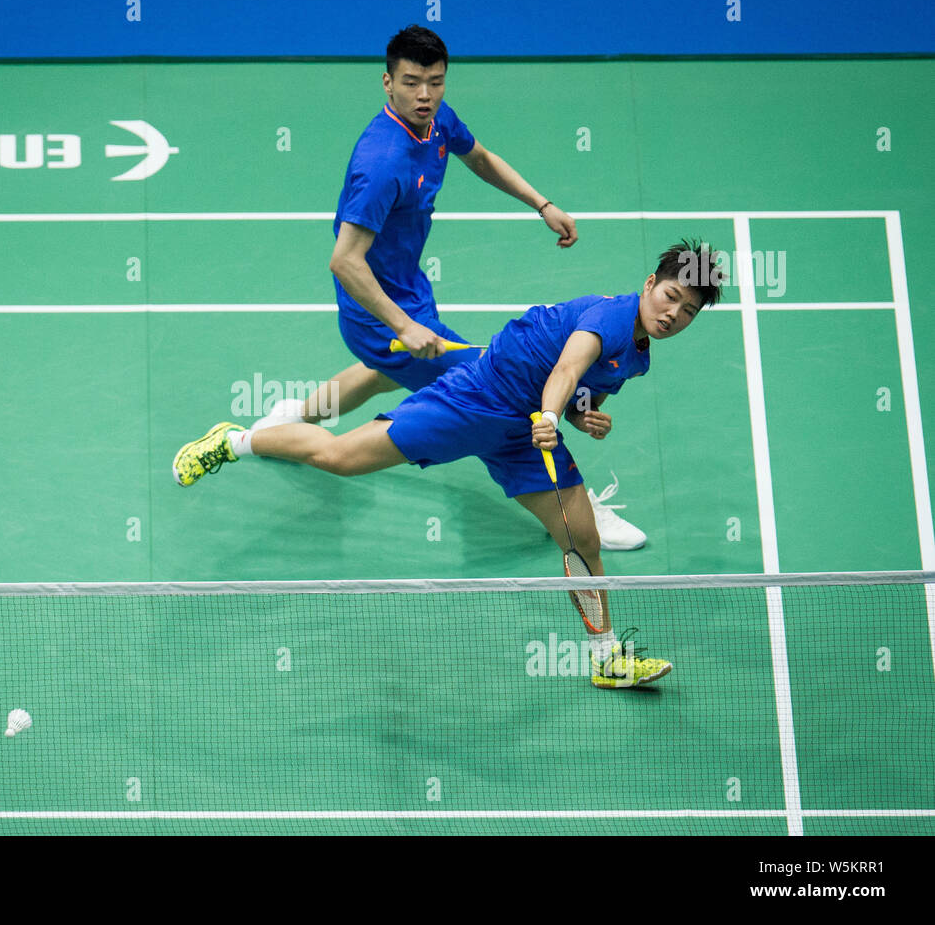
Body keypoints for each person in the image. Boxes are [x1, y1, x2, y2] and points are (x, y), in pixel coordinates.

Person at [173, 241, 724, 688]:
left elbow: (583, 387)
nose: (673, 314)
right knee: (337, 456)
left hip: (523, 429)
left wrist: (583, 417)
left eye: (688, 312)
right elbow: (565, 369)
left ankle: (607, 656)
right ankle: (239, 440)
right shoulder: (608, 316)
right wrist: (556, 415)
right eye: (670, 296)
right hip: (478, 400)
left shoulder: (640, 356)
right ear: (650, 284)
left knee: (582, 538)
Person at [249, 24, 647, 550]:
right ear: (386, 83)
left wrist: (541, 204)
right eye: (412, 82)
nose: (425, 95)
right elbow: (344, 262)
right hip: (379, 313)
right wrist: (405, 326)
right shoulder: (382, 162)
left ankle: (292, 415)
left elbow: (479, 156)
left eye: (435, 82)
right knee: (494, 392)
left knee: (388, 375)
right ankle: (575, 509)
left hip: (408, 288)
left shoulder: (435, 123)